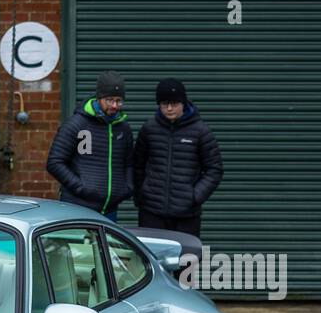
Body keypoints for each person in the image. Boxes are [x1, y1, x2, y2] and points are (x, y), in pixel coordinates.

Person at [132, 78, 223, 238]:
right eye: (164, 104)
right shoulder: (149, 129)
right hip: (152, 213)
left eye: (174, 104)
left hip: (186, 216)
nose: (169, 108)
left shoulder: (200, 131)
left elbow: (214, 169)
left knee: (186, 261)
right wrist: (143, 194)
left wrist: (194, 196)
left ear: (183, 103)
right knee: (151, 260)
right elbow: (137, 164)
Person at [46, 70, 134, 221]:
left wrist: (127, 188)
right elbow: (55, 162)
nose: (114, 105)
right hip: (77, 207)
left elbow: (129, 164)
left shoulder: (123, 129)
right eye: (109, 100)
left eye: (118, 101)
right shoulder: (77, 124)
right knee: (76, 245)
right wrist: (80, 187)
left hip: (110, 210)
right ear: (99, 98)